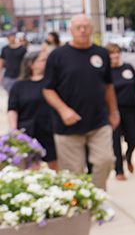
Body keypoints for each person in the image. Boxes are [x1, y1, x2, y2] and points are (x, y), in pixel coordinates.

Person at [42, 14, 119, 190]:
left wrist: (114, 112)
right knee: (73, 172)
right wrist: (64, 110)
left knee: (105, 160)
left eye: (86, 27)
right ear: (71, 30)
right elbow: (47, 89)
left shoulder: (101, 53)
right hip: (67, 125)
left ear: (92, 29)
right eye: (78, 27)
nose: (83, 31)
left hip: (98, 121)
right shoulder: (57, 56)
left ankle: (98, 198)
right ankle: (80, 205)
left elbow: (108, 86)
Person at [6, 48, 56, 168]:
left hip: (50, 131)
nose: (47, 63)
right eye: (43, 60)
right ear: (31, 64)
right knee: (31, 168)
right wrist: (14, 130)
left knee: (54, 167)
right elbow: (12, 109)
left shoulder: (53, 83)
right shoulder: (19, 86)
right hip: (28, 132)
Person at [106, 43, 135, 181]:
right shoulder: (105, 72)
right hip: (113, 110)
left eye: (117, 52)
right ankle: (119, 170)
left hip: (130, 109)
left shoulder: (128, 68)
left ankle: (129, 156)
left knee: (133, 137)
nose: (115, 55)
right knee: (115, 140)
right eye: (112, 53)